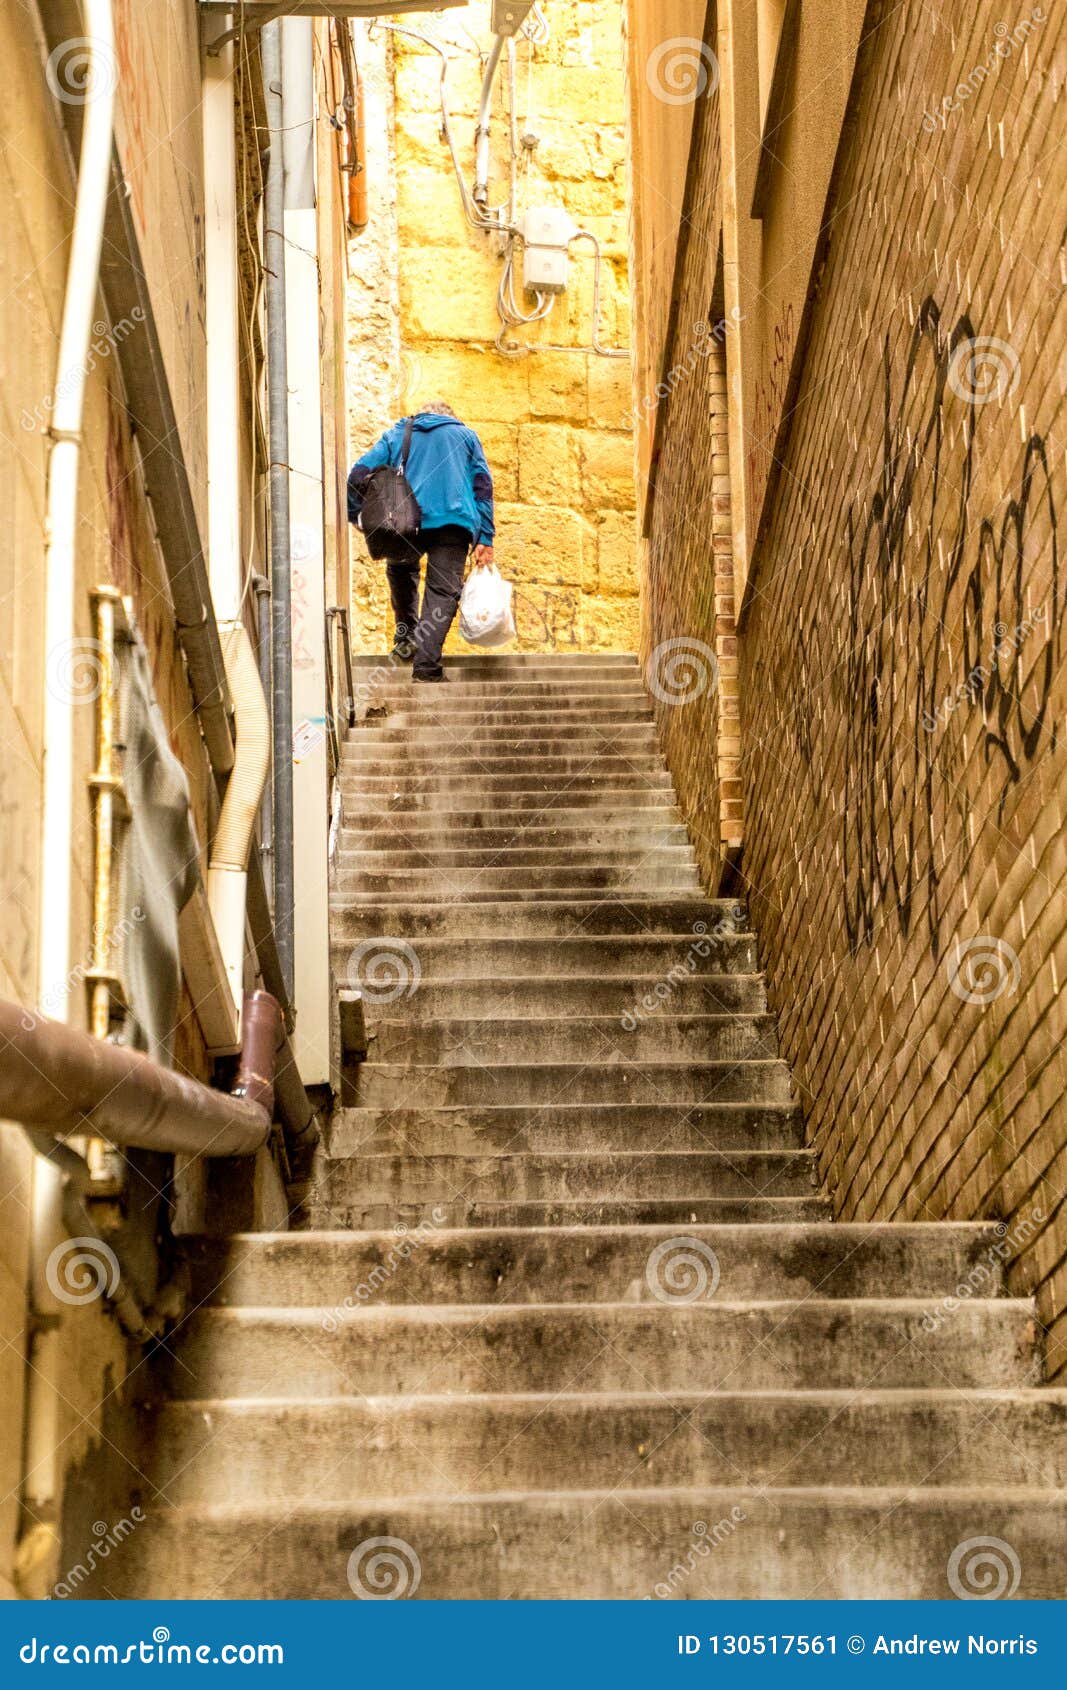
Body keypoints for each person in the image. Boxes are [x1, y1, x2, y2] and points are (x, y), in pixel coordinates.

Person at [347, 401, 495, 682]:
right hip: (453, 524)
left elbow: (357, 475)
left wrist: (356, 514)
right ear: (450, 418)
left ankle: (405, 638)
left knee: (402, 572)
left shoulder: (399, 433)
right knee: (443, 591)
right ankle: (426, 667)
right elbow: (482, 486)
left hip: (404, 521)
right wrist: (485, 536)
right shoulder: (467, 436)